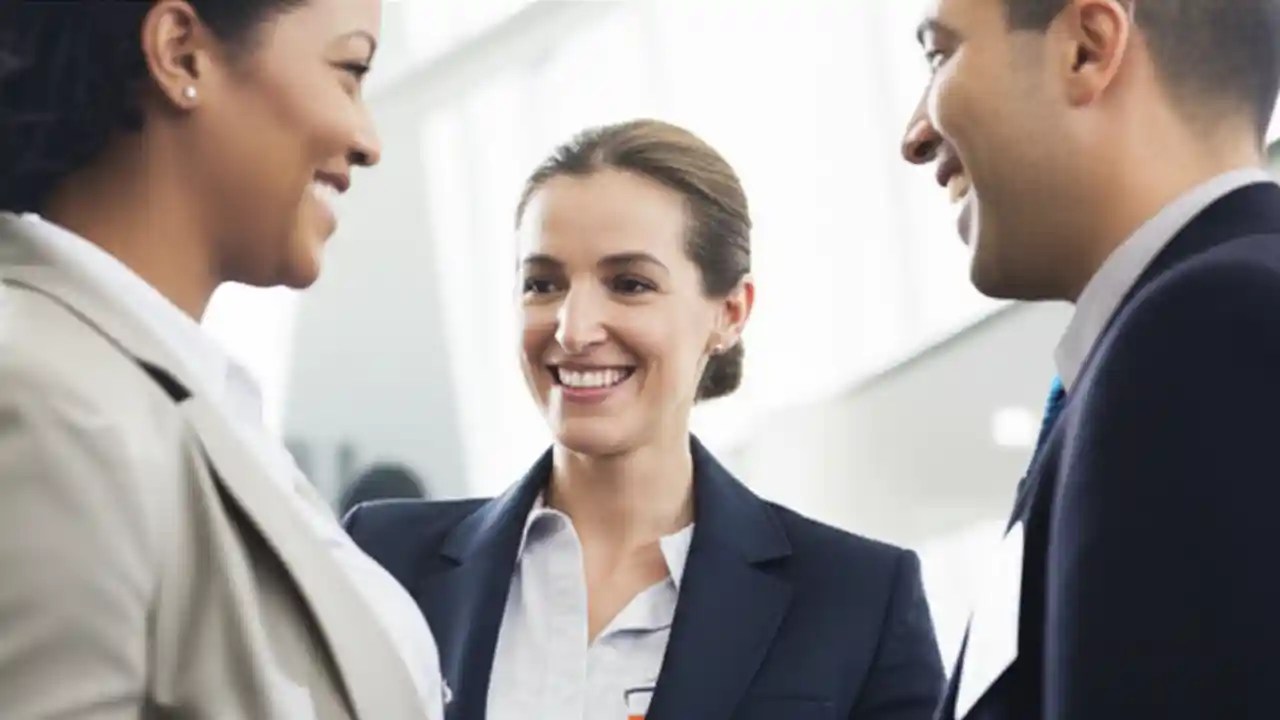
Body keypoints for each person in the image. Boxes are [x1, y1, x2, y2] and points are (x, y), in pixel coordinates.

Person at [346, 119, 945, 720]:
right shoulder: (382, 561)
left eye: (630, 284)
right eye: (542, 284)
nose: (573, 329)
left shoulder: (857, 600)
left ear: (730, 313)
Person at [0, 1, 442, 717]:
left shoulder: (171, 398)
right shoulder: (50, 404)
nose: (368, 141)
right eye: (349, 71)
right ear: (180, 53)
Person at [900, 0, 1280, 718]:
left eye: (940, 55)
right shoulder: (1178, 339)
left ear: (1087, 47)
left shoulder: (1205, 333)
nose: (914, 136)